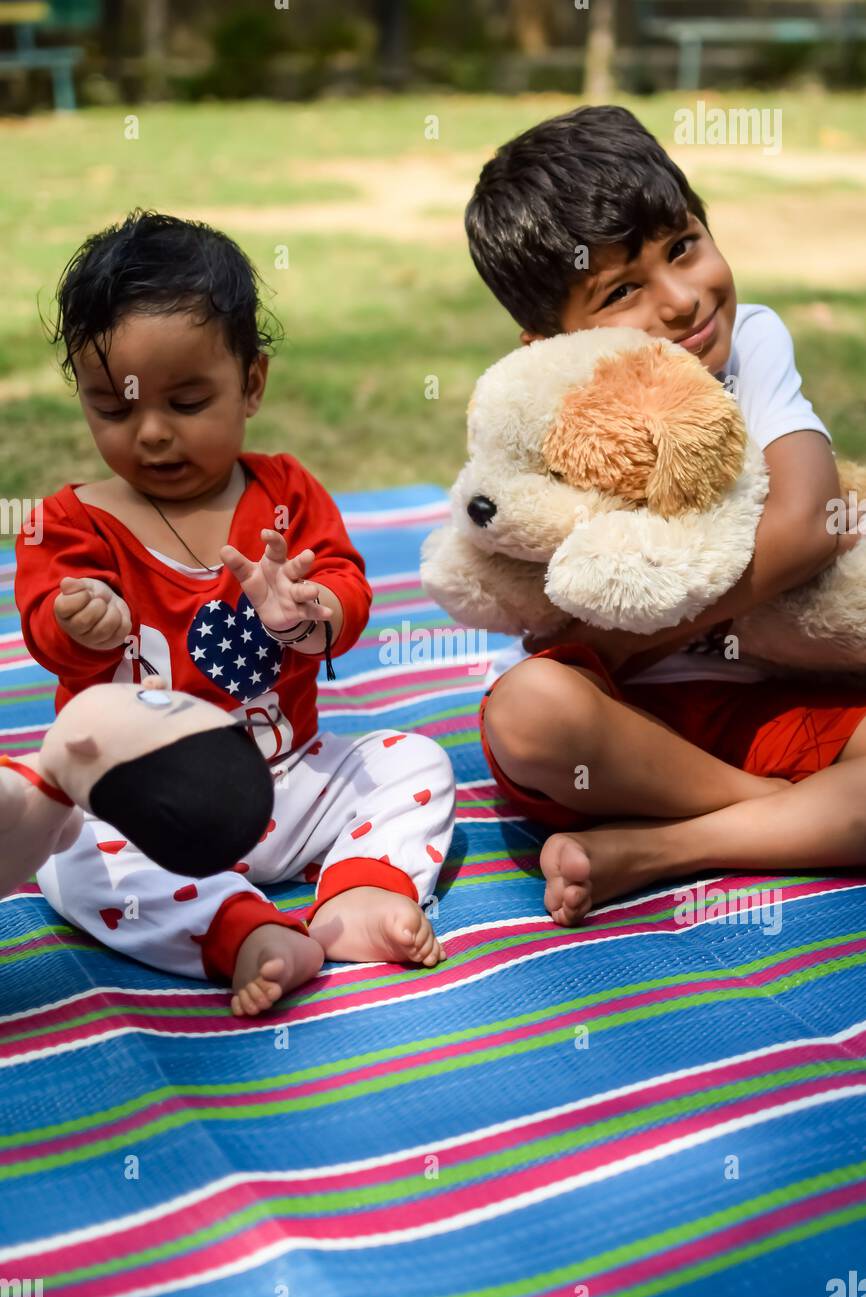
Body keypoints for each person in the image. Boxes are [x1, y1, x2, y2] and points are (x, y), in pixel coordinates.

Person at [15, 211, 455, 1015]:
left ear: (252, 382)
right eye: (113, 409)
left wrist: (307, 611)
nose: (150, 435)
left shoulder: (285, 493)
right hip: (153, 814)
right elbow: (48, 627)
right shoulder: (74, 520)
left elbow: (347, 595)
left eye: (187, 401)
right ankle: (241, 929)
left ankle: (358, 893)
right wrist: (80, 623)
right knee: (71, 858)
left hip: (292, 785)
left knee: (413, 763)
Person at [464, 105, 865, 926]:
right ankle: (782, 814)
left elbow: (814, 520)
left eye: (683, 247)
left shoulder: (750, 341)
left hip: (783, 700)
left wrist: (647, 629)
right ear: (547, 342)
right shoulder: (546, 409)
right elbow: (539, 615)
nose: (683, 301)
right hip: (625, 735)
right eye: (621, 291)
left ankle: (666, 847)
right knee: (527, 711)